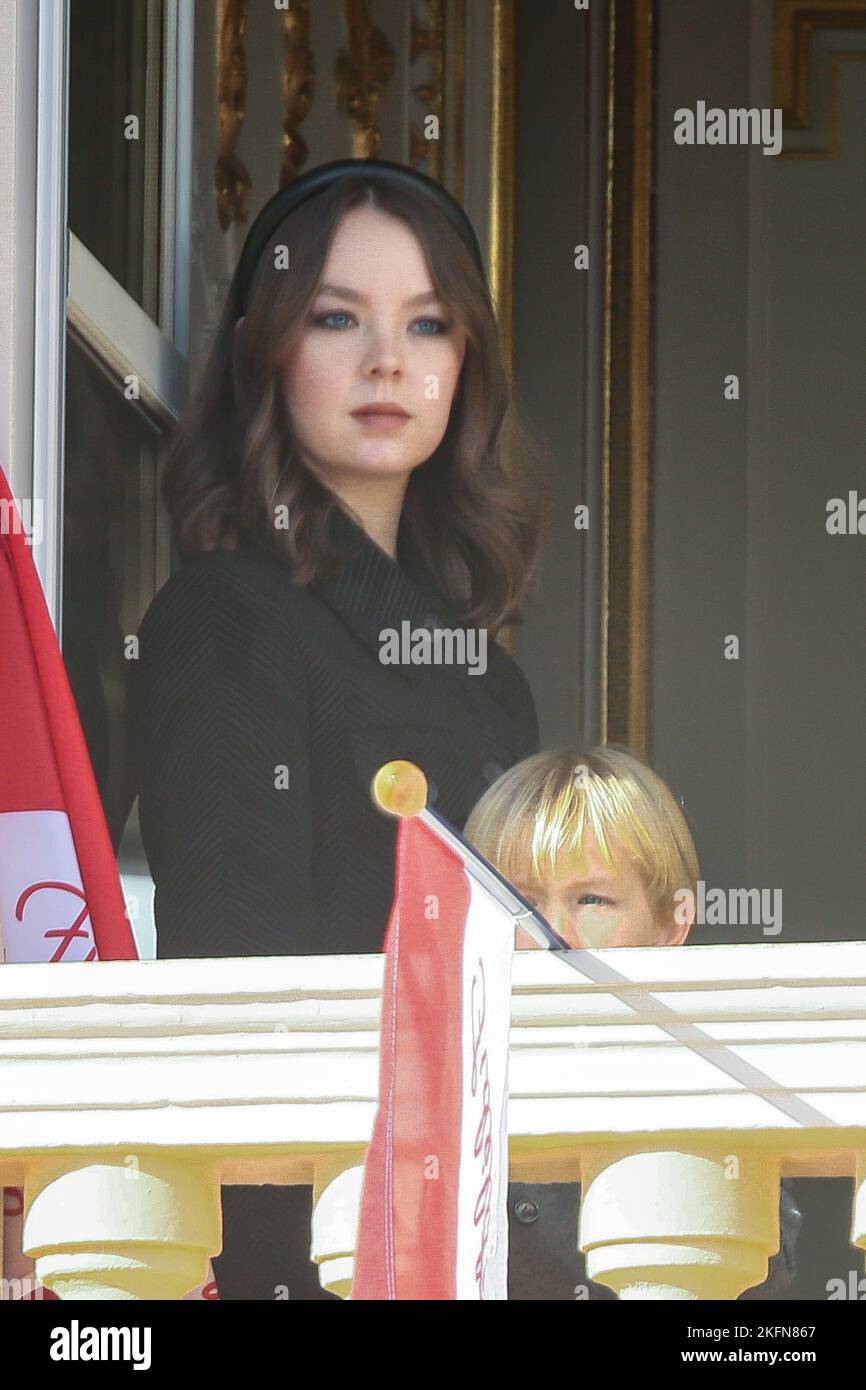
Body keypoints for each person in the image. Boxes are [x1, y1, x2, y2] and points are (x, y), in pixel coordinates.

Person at [127, 159, 545, 1298]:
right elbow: (237, 992)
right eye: (334, 318)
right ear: (267, 352)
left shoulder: (488, 680)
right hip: (317, 1239)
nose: (387, 362)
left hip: (479, 1217)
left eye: (427, 323)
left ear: (465, 366)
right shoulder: (225, 616)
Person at [463, 744, 804, 1300]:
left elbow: (759, 1279)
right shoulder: (443, 1073)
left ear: (671, 923)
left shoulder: (713, 1080)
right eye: (517, 904)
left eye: (593, 900)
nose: (552, 934)